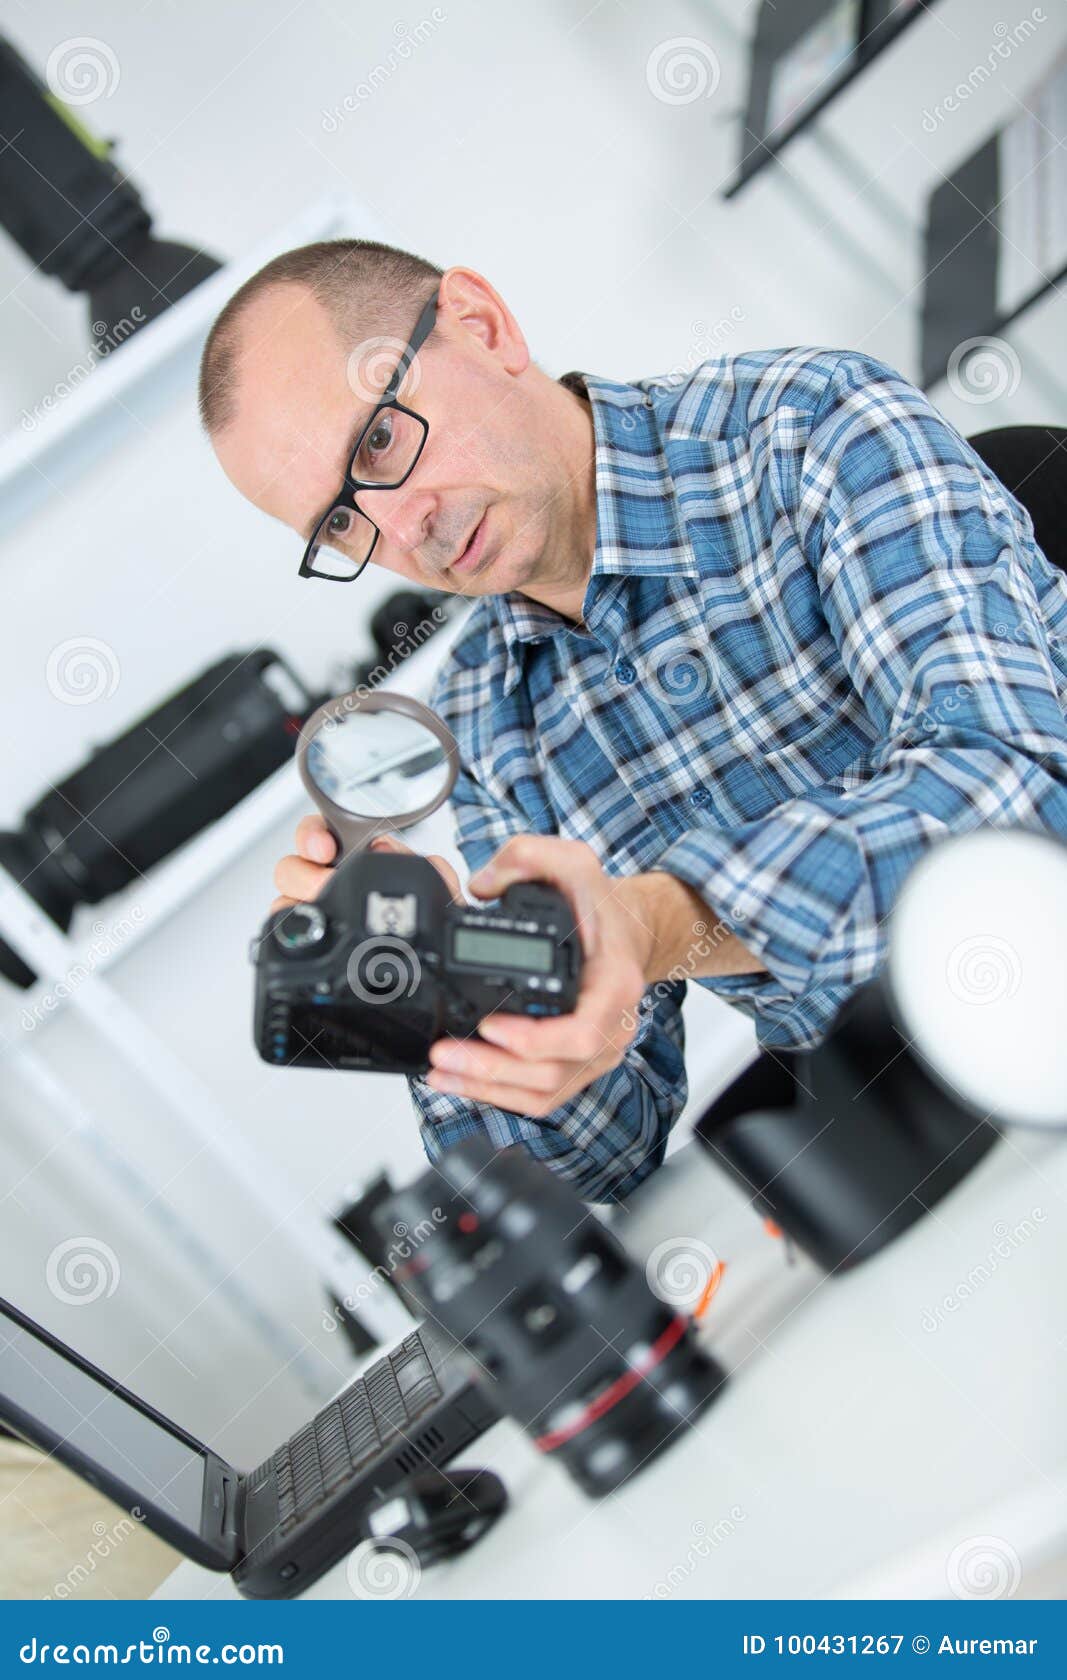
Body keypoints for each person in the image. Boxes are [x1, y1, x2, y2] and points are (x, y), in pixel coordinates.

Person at [198, 239, 1067, 1201]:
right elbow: (603, 1157)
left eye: (377, 443)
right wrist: (444, 990)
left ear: (481, 326)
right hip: (911, 1156)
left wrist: (657, 919)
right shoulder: (484, 715)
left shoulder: (810, 426)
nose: (404, 528)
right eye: (339, 524)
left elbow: (1014, 786)